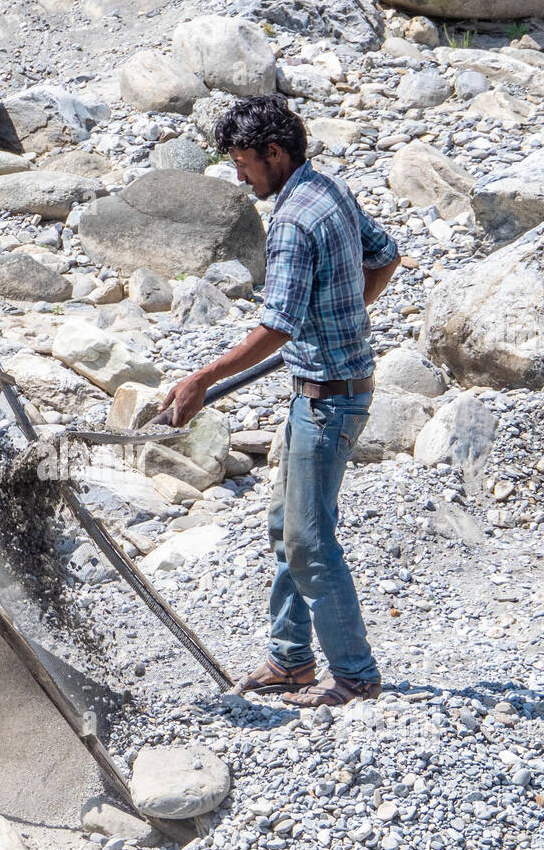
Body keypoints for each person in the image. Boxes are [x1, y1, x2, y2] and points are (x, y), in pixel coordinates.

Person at [161, 94, 402, 708]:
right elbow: (386, 255)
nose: (240, 176)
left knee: (309, 541)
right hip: (323, 390)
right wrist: (345, 312)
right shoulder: (327, 189)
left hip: (328, 402)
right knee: (285, 526)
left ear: (274, 153)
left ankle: (354, 676)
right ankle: (290, 659)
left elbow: (276, 327)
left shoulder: (294, 220)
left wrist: (201, 381)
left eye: (244, 162)